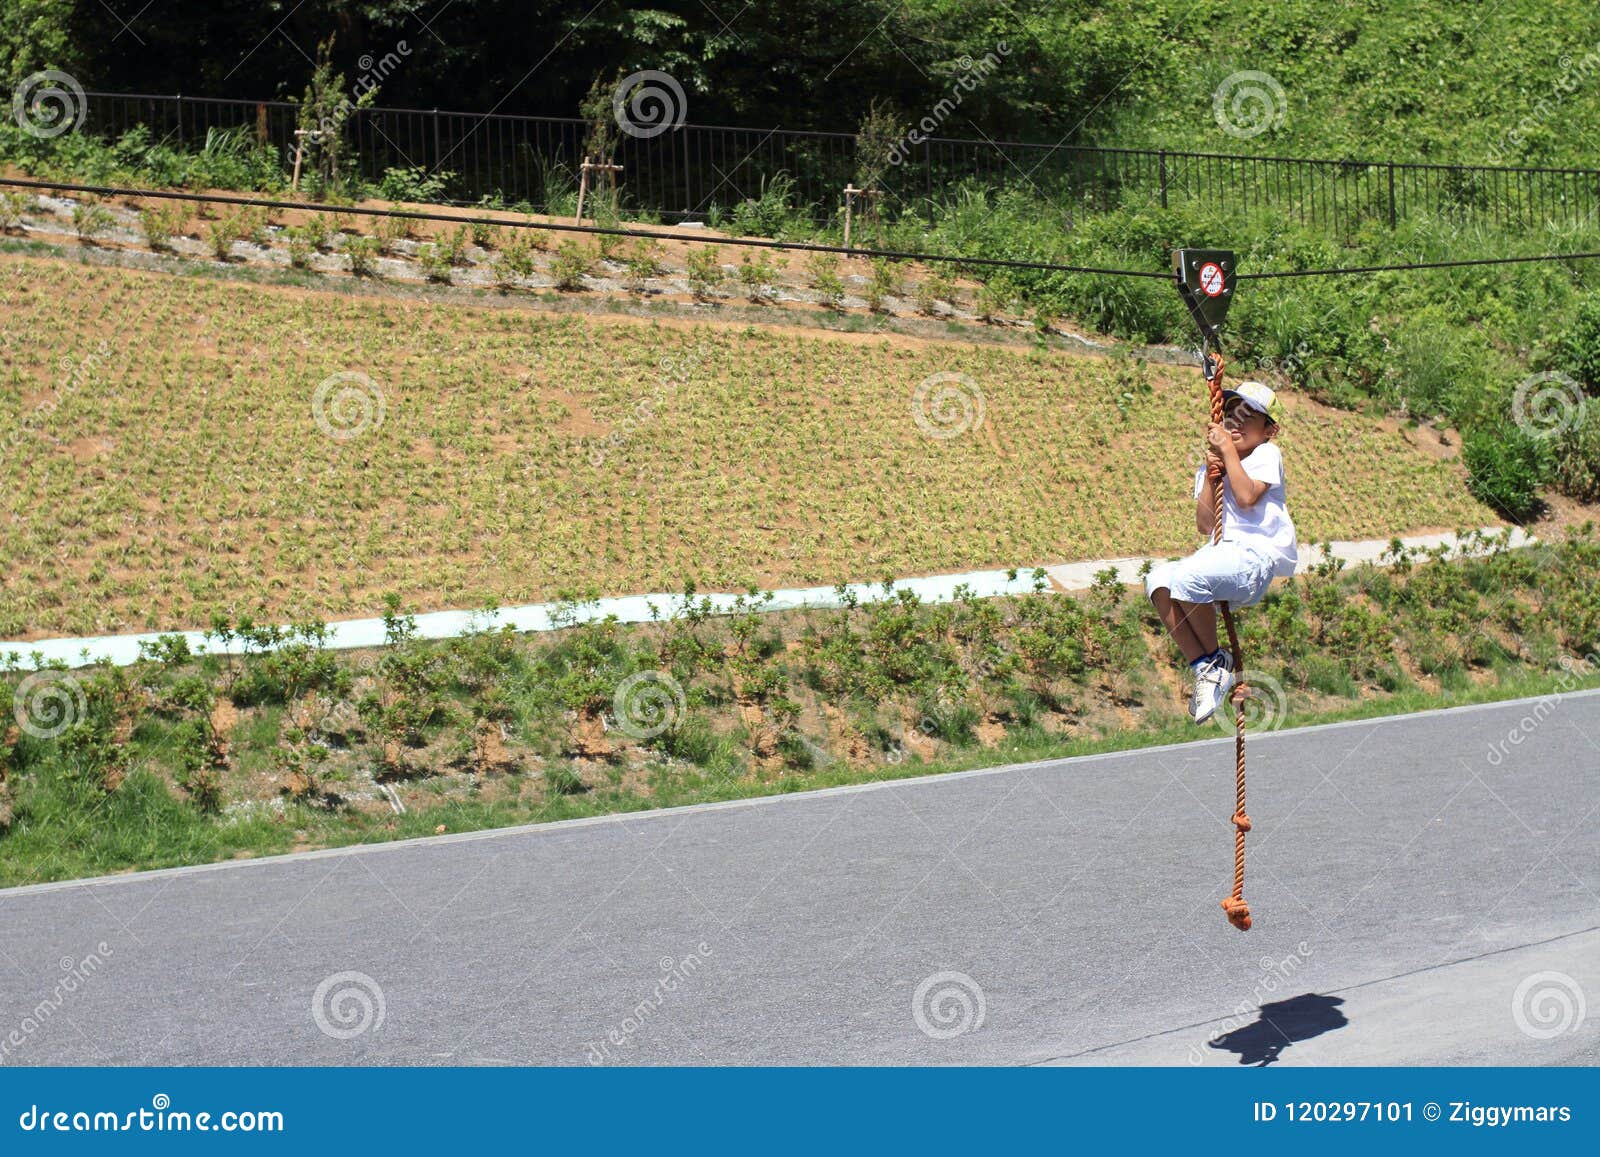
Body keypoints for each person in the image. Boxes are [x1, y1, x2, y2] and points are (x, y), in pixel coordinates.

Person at [1145, 381, 1297, 723]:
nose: (1236, 422)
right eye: (1230, 414)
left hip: (1254, 558)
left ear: (1269, 430)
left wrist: (1227, 453)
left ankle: (1214, 660)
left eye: (1249, 416)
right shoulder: (1211, 465)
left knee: (1187, 577)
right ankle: (1205, 663)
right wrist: (1212, 477)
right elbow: (1204, 524)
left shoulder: (1266, 455)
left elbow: (1246, 497)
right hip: (1221, 555)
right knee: (1158, 581)